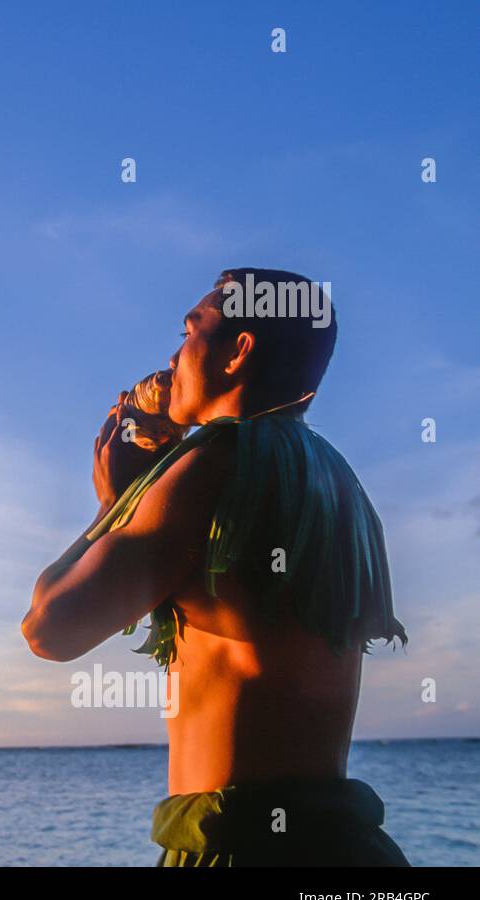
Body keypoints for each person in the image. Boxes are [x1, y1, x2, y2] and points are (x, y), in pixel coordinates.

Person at [21, 268, 410, 866]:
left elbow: (50, 628)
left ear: (238, 351)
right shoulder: (340, 484)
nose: (174, 356)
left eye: (189, 330)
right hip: (341, 846)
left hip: (238, 843)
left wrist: (110, 505)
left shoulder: (217, 462)